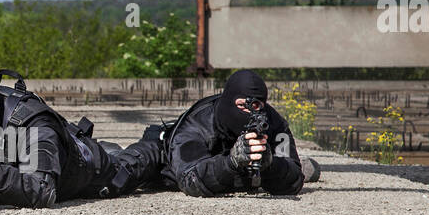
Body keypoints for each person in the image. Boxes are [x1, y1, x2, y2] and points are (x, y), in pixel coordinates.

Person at [0, 67, 118, 209]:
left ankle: (141, 148)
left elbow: (42, 192)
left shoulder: (33, 122)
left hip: (89, 168)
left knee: (136, 165)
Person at [104, 69, 315, 198]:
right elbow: (190, 180)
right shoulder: (197, 123)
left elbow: (294, 180)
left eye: (258, 105)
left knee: (303, 169)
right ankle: (109, 153)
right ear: (228, 100)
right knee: (119, 173)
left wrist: (271, 164)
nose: (252, 113)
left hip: (230, 175)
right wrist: (231, 163)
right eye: (243, 105)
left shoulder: (273, 123)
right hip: (165, 158)